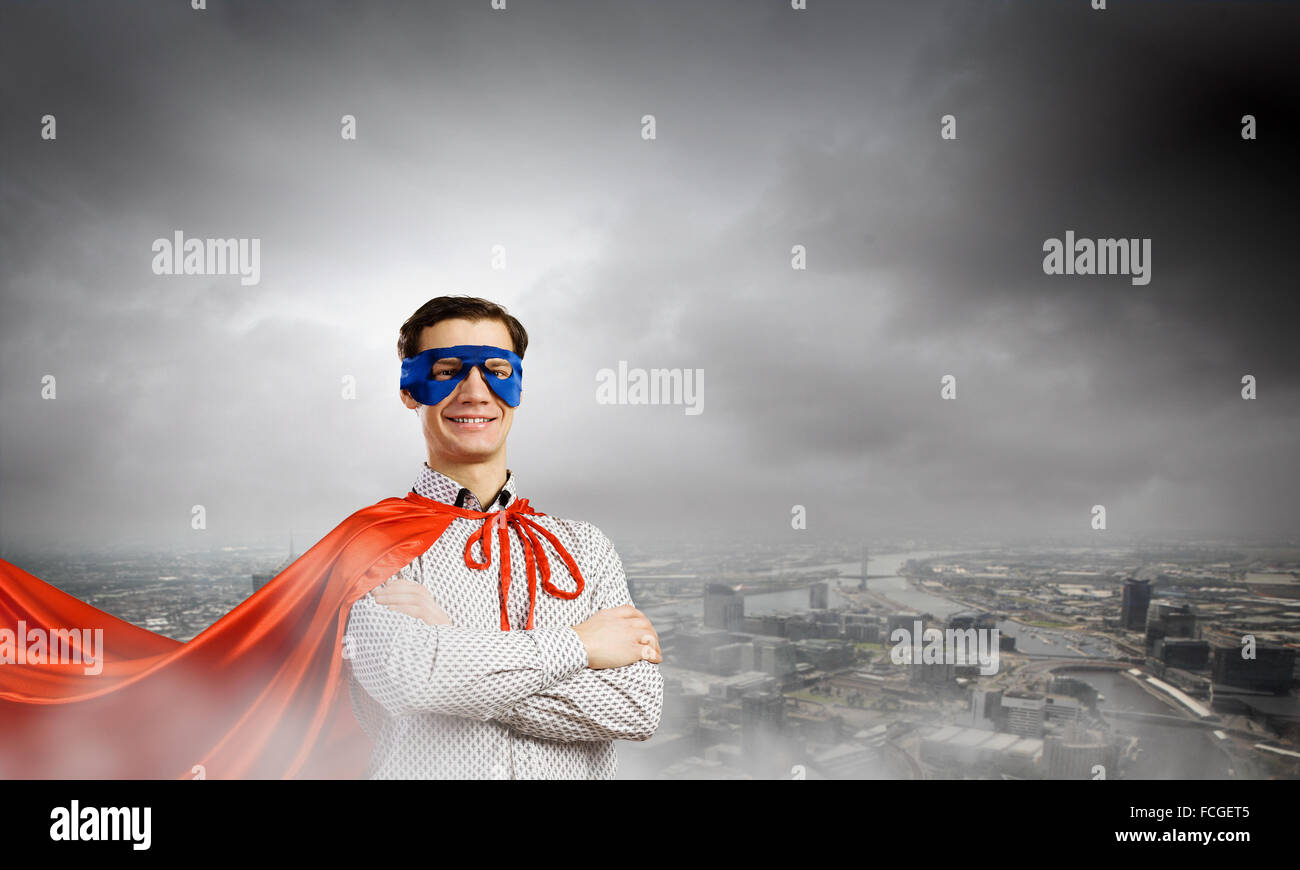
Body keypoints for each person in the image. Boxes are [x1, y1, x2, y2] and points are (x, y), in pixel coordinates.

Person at [342, 295, 664, 779]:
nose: (476, 391)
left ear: (518, 387)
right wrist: (580, 644)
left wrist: (454, 646)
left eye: (496, 369)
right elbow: (413, 680)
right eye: (447, 370)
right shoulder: (375, 542)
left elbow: (635, 709)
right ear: (411, 390)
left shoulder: (586, 547)